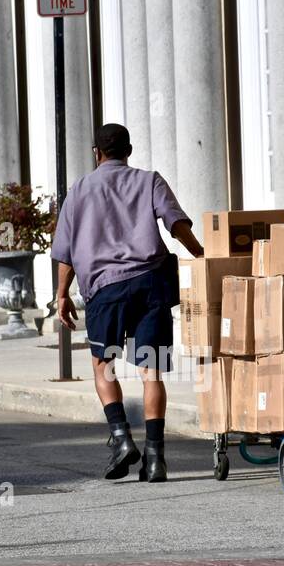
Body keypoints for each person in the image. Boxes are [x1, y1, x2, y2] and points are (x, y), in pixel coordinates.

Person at [52, 124, 204, 482]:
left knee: (102, 365)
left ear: (96, 153)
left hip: (104, 290)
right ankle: (155, 460)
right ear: (129, 150)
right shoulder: (149, 181)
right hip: (150, 284)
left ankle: (121, 439)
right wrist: (201, 254)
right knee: (151, 371)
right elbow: (176, 224)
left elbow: (66, 252)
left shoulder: (79, 190)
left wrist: (61, 294)